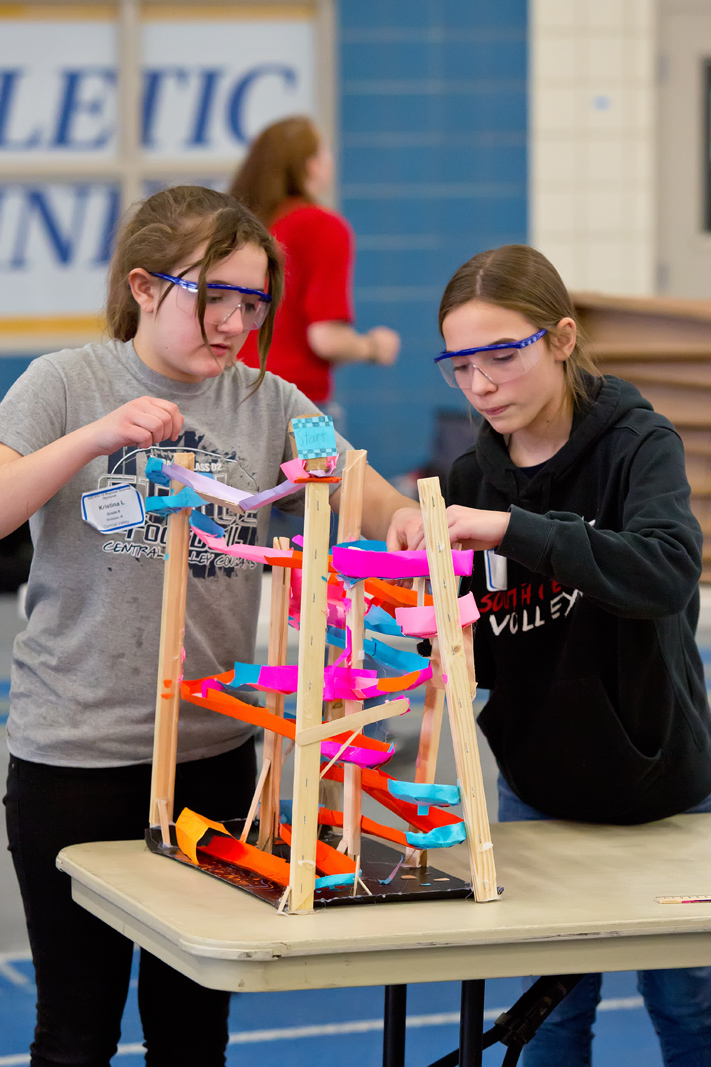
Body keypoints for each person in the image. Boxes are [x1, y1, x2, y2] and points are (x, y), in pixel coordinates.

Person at [0, 184, 415, 1067]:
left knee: (193, 1032)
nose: (232, 322)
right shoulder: (65, 382)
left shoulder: (271, 402)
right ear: (145, 287)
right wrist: (93, 437)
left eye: (252, 302)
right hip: (75, 754)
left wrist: (409, 525)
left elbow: (362, 493)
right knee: (77, 1031)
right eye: (211, 296)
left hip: (213, 757)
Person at [387, 244, 711, 1067]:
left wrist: (510, 530)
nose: (479, 384)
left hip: (661, 788)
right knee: (547, 1018)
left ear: (561, 338)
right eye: (458, 366)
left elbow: (667, 571)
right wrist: (423, 615)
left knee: (688, 1010)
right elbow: (487, 652)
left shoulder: (637, 444)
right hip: (540, 793)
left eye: (501, 355)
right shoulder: (470, 473)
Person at [229, 114, 400, 414]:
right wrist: (374, 347)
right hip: (300, 402)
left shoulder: (236, 229)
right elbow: (326, 339)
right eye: (325, 151)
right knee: (315, 464)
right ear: (310, 165)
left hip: (228, 395)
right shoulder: (321, 226)